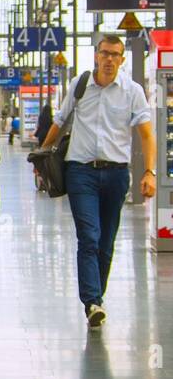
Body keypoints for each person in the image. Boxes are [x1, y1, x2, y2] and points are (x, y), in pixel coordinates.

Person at [34, 34, 155, 329]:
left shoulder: (132, 91)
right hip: (81, 172)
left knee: (106, 240)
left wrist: (149, 172)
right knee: (89, 236)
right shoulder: (80, 85)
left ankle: (96, 296)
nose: (110, 59)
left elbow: (147, 134)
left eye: (115, 54)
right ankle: (92, 301)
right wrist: (41, 157)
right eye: (105, 54)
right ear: (96, 56)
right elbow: (60, 121)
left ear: (122, 59)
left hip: (116, 174)